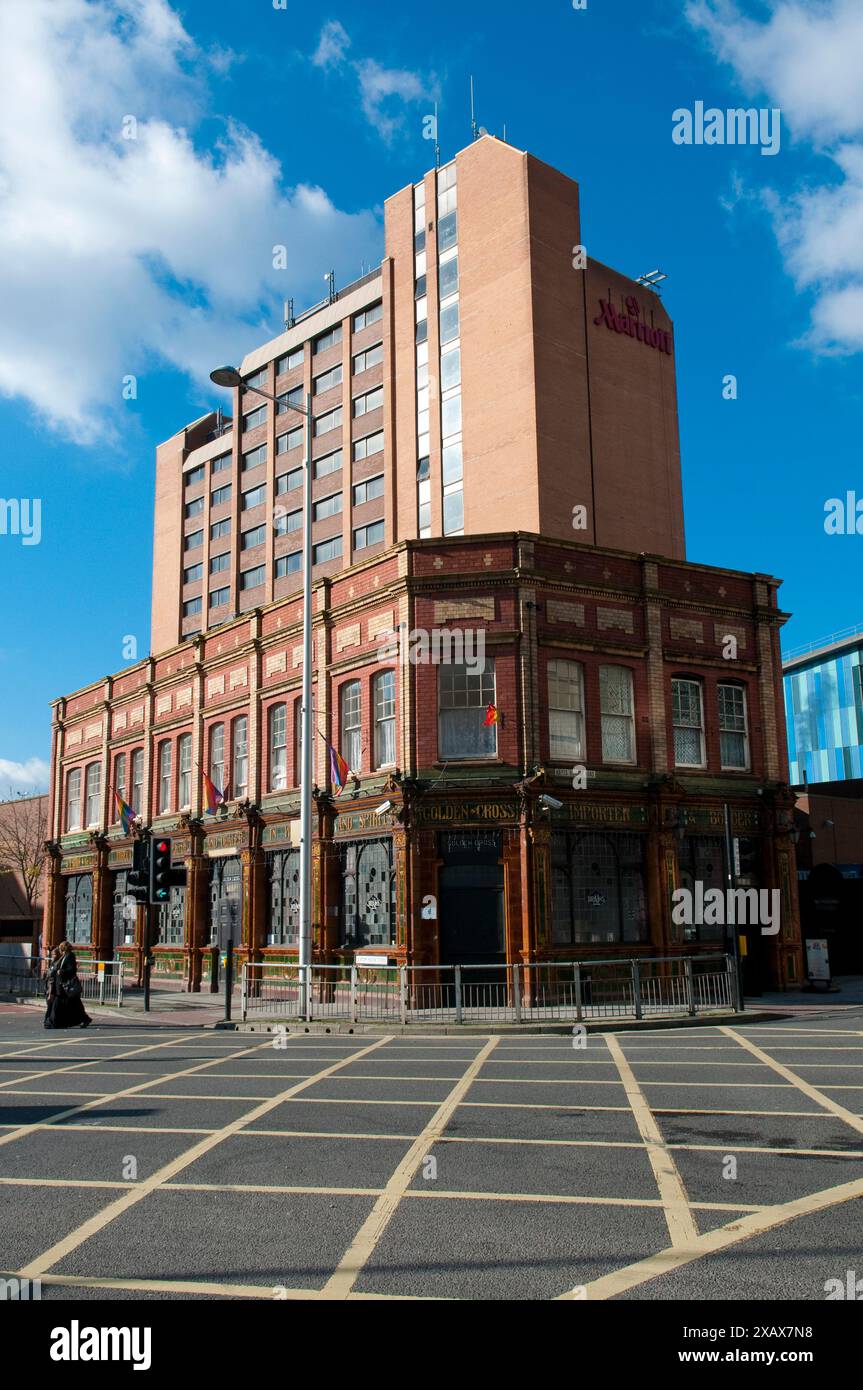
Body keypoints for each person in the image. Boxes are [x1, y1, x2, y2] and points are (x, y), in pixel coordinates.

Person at [46, 942, 92, 1029]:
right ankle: (83, 1019)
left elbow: (72, 970)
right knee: (73, 1005)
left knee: (65, 1003)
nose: (59, 949)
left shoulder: (70, 956)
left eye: (61, 947)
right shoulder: (64, 956)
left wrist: (62, 971)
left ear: (64, 948)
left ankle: (53, 1022)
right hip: (63, 985)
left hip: (67, 985)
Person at [43, 947, 62, 1029]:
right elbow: (48, 976)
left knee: (50, 1006)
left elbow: (52, 979)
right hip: (48, 987)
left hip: (53, 988)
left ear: (58, 954)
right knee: (50, 1005)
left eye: (54, 954)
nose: (53, 956)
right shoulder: (52, 963)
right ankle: (49, 1021)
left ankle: (48, 1021)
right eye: (52, 954)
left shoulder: (58, 964)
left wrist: (51, 993)